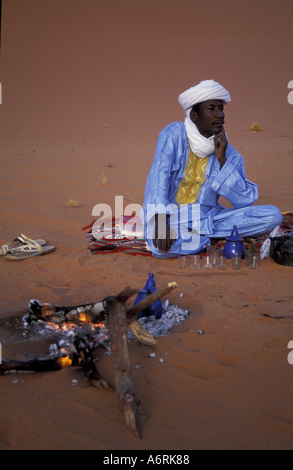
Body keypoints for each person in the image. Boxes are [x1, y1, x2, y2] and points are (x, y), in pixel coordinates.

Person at [142, 79, 282, 258]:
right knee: (159, 249)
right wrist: (161, 221)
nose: (220, 115)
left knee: (273, 216)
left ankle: (204, 239)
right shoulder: (174, 133)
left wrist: (222, 160)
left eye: (221, 109)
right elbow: (158, 178)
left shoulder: (227, 151)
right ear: (194, 115)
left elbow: (244, 200)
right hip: (172, 218)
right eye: (212, 109)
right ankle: (211, 241)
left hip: (210, 219)